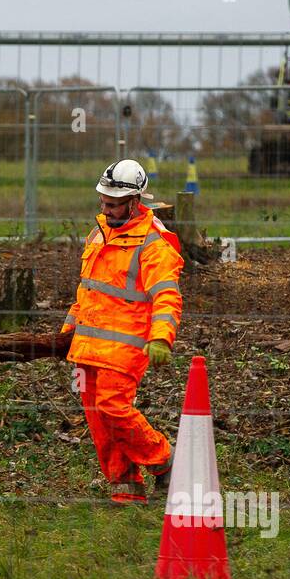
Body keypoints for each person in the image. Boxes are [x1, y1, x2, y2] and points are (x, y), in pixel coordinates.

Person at [62, 160, 183, 504]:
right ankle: (126, 488)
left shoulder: (153, 243)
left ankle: (164, 461)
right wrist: (68, 329)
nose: (107, 208)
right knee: (99, 420)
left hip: (125, 347)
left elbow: (166, 295)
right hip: (88, 346)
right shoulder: (99, 233)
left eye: (114, 203)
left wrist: (162, 337)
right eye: (104, 201)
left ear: (134, 202)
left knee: (113, 408)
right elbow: (88, 290)